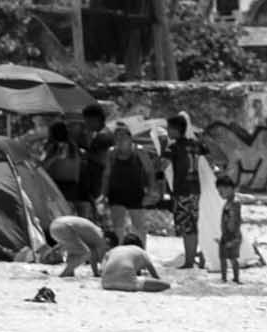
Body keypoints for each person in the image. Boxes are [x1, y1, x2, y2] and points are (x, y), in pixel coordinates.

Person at [160, 113, 208, 270]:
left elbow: (162, 165)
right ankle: (195, 256)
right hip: (196, 189)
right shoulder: (195, 145)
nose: (167, 131)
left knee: (187, 227)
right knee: (193, 225)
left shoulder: (173, 147)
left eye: (169, 128)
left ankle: (189, 261)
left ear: (175, 130)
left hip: (182, 190)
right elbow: (209, 155)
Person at [102, 123, 152, 247]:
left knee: (139, 225)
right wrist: (103, 194)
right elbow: (106, 174)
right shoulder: (111, 152)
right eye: (117, 137)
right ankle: (119, 251)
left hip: (135, 192)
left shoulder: (139, 151)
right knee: (118, 224)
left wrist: (152, 190)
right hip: (116, 192)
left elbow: (150, 171)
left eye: (123, 137)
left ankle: (141, 251)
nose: (120, 140)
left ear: (130, 138)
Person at [75, 104, 110, 221]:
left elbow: (104, 159)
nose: (86, 124)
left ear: (96, 119)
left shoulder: (104, 137)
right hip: (94, 180)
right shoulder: (98, 135)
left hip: (98, 180)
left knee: (99, 213)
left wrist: (86, 154)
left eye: (88, 121)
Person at [48, 214, 108, 278]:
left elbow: (93, 254)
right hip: (64, 227)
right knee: (85, 253)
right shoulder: (100, 238)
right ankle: (64, 274)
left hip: (55, 225)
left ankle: (70, 273)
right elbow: (103, 260)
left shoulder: (95, 233)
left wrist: (96, 273)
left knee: (75, 251)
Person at [99, 242, 170, 292]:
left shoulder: (113, 250)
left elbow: (102, 269)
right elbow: (155, 276)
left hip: (105, 283)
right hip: (128, 283)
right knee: (166, 285)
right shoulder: (141, 251)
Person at [216, 174, 245, 283]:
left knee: (233, 258)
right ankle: (223, 277)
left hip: (233, 234)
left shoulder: (235, 203)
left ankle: (236, 278)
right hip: (225, 234)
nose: (220, 194)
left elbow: (236, 220)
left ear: (229, 189)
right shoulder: (228, 203)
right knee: (222, 257)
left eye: (221, 192)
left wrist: (233, 237)